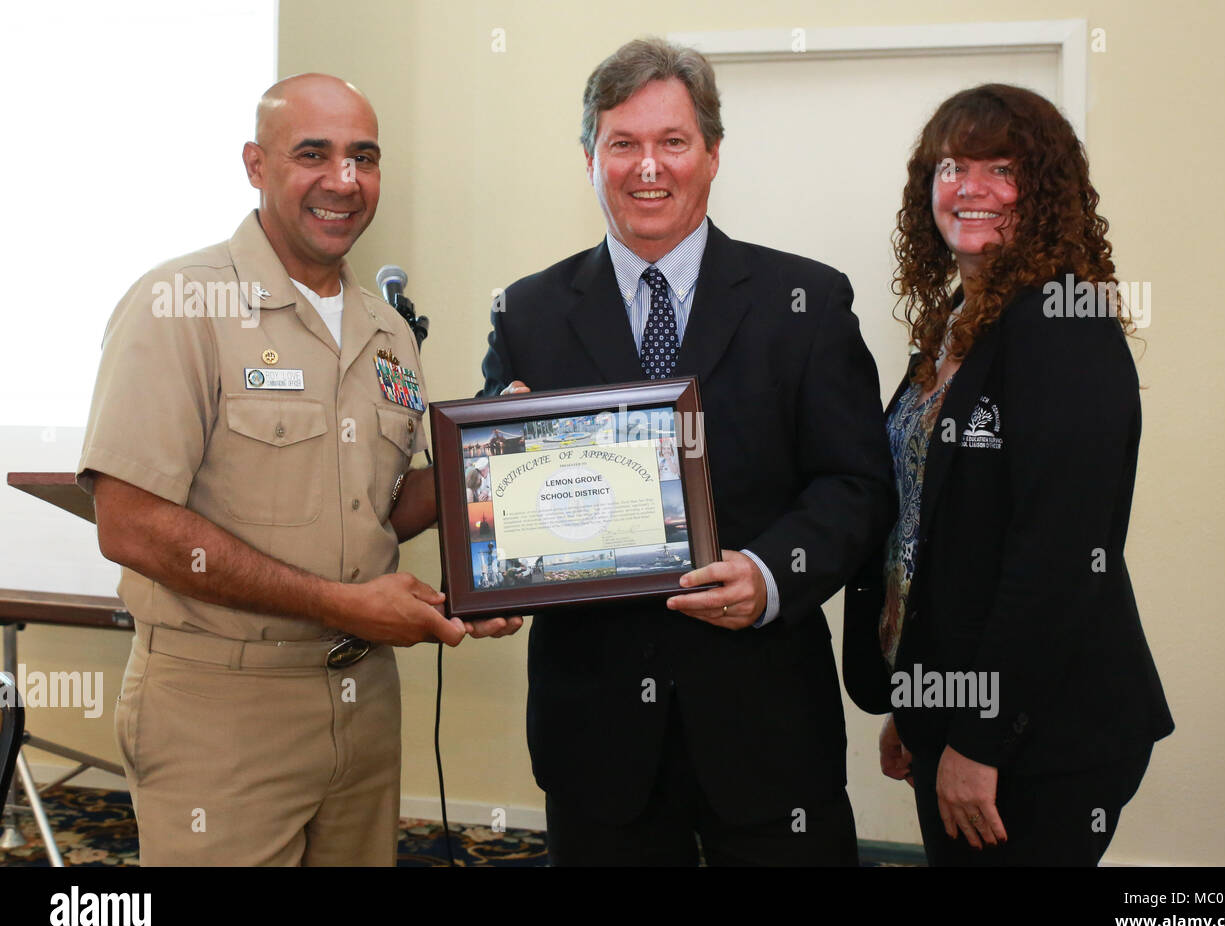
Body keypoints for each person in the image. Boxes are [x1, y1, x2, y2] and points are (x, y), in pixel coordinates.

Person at [77, 73, 520, 866]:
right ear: (255, 163)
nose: (344, 182)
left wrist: (499, 455)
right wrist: (345, 604)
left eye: (364, 158)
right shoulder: (179, 305)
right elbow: (131, 524)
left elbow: (374, 508)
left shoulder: (389, 333)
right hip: (224, 710)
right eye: (313, 154)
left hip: (363, 704)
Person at [480, 38, 895, 865]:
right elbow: (496, 507)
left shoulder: (804, 302)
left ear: (712, 154)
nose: (648, 168)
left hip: (767, 729)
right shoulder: (527, 313)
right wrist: (494, 513)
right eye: (622, 143)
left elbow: (857, 485)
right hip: (597, 741)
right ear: (590, 158)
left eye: (672, 142)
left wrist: (773, 573)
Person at [842, 83, 1174, 866]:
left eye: (1002, 168)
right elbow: (930, 528)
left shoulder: (1064, 325)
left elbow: (1056, 562)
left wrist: (980, 741)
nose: (971, 187)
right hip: (965, 713)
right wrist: (922, 707)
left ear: (1045, 191)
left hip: (1044, 734)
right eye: (952, 165)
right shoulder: (964, 323)